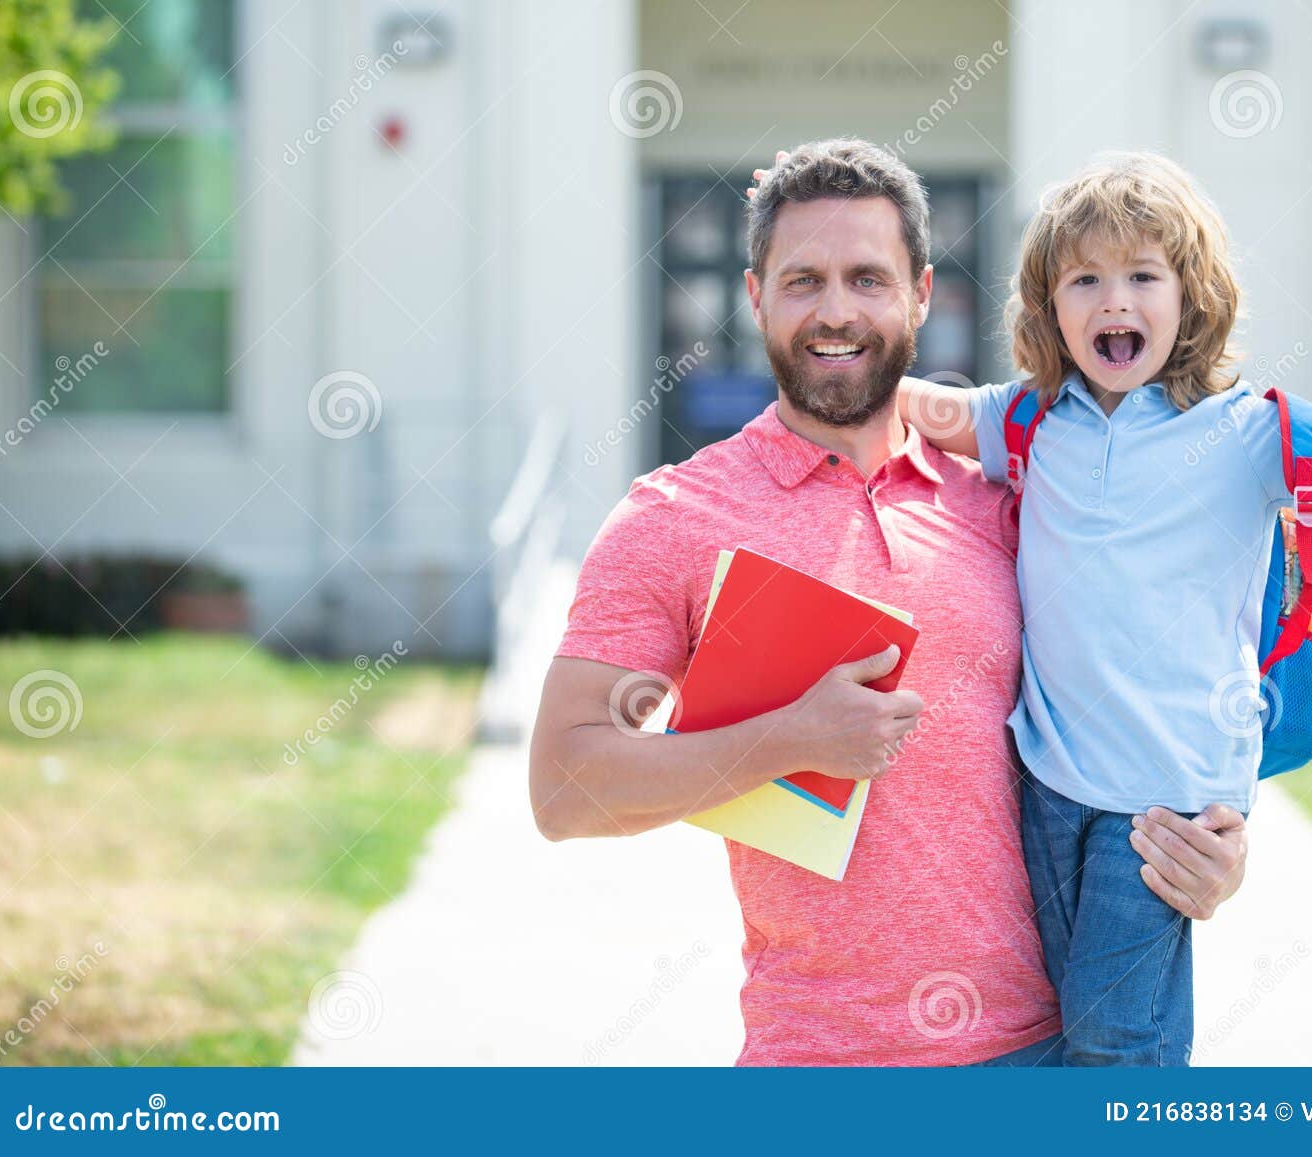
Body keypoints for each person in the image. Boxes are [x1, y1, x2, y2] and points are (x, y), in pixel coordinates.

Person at [529, 139, 1250, 1067]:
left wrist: (1208, 836)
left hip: (1047, 1051)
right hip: (818, 1062)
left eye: (868, 278)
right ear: (755, 297)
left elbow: (1162, 663)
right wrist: (786, 740)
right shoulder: (674, 519)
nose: (836, 312)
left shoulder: (1012, 493)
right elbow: (564, 789)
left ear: (920, 293)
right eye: (803, 281)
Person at [898, 151, 1312, 1065]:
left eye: (1142, 274)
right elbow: (910, 406)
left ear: (1191, 295)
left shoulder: (1248, 432)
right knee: (1054, 1021)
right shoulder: (1030, 420)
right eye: (1083, 277)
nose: (1112, 299)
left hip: (1165, 803)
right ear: (1050, 305)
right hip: (1049, 783)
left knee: (1117, 1038)